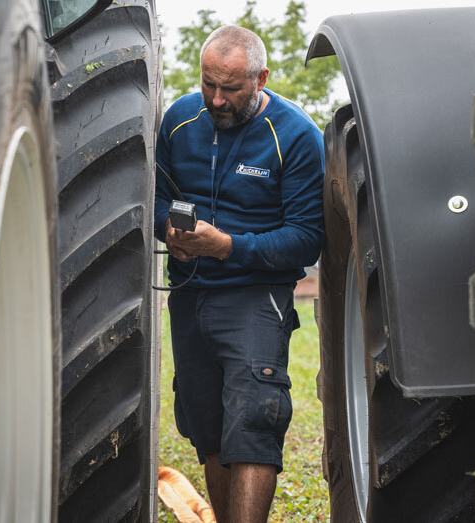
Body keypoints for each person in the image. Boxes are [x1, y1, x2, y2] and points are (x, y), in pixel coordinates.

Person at [154, 25, 325, 523]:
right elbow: (158, 195)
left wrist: (227, 247)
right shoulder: (180, 120)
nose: (217, 99)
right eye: (209, 83)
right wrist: (172, 231)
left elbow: (306, 237)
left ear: (261, 78)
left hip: (255, 296)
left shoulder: (296, 135)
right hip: (189, 294)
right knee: (208, 427)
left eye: (231, 88)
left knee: (252, 424)